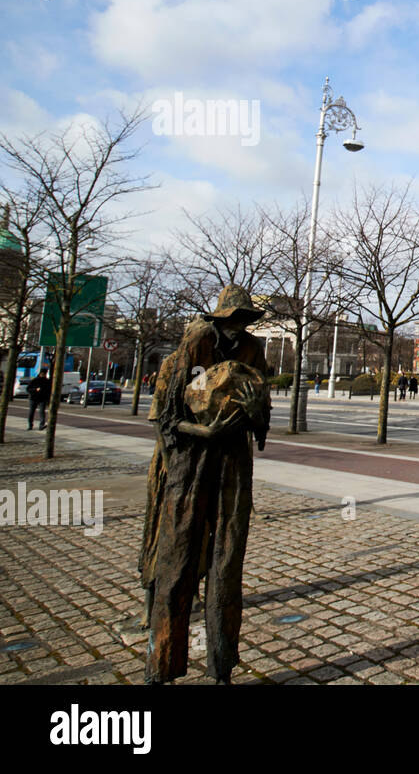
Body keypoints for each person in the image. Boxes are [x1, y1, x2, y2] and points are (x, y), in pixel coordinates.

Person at [145, 283, 271, 684]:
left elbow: (262, 421)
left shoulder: (253, 350)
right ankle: (161, 666)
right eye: (233, 320)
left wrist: (257, 414)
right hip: (188, 460)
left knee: (228, 561)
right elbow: (166, 419)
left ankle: (221, 667)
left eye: (244, 320)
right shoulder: (195, 343)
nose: (239, 328)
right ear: (220, 320)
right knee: (177, 560)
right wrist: (203, 433)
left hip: (232, 462)